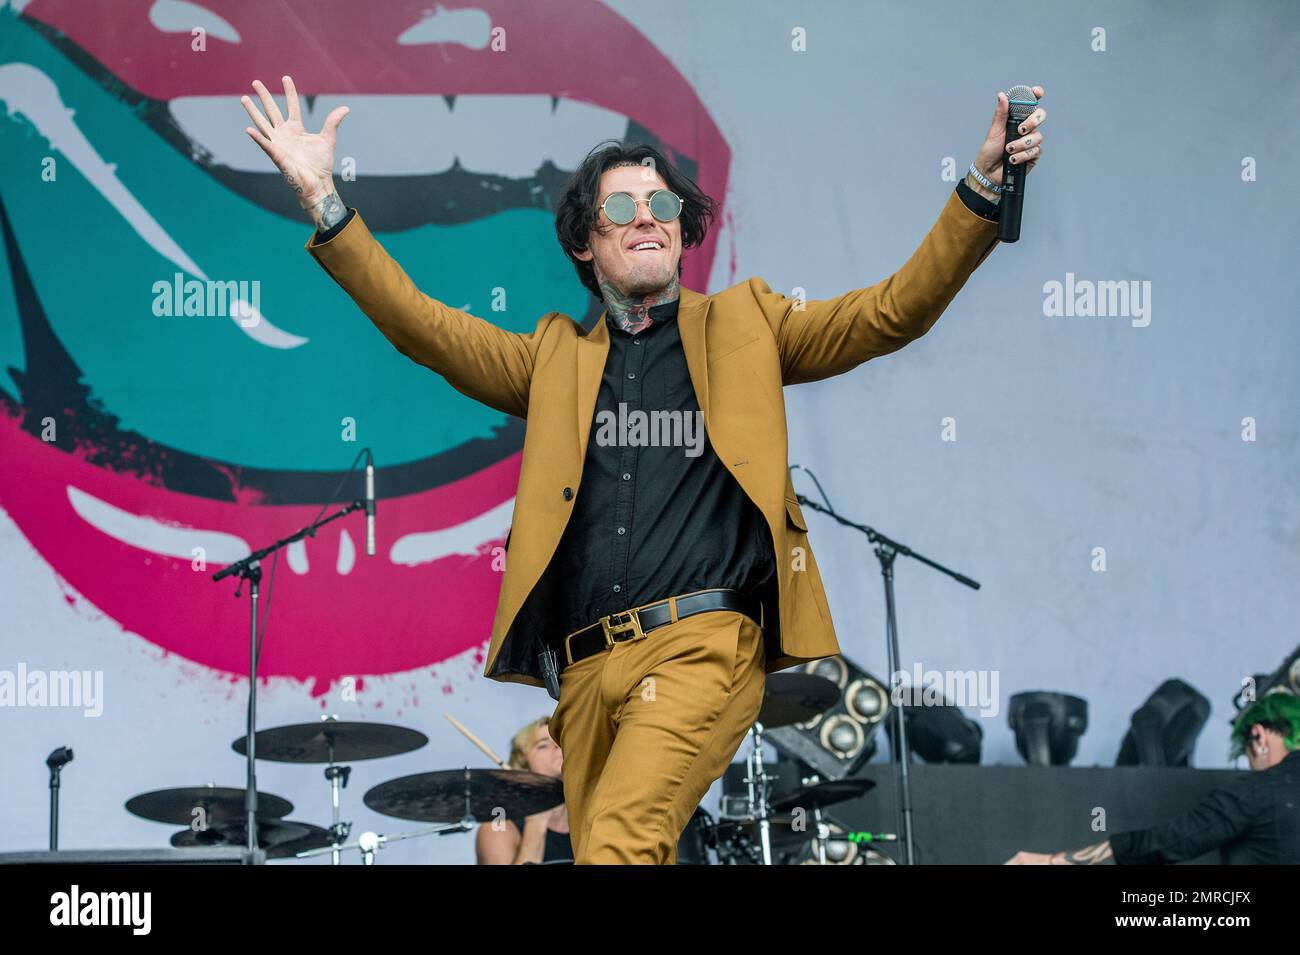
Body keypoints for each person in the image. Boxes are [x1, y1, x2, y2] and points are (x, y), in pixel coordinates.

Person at [241, 76, 1046, 863]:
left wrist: (979, 188)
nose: (646, 220)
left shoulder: (747, 325)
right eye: (620, 209)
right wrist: (324, 201)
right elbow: (422, 326)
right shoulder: (553, 357)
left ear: (685, 230)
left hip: (699, 645)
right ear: (585, 244)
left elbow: (892, 309)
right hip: (586, 675)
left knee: (619, 847)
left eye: (662, 206)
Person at [1006, 692, 1300, 864]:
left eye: (1247, 753)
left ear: (1258, 736)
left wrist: (1054, 861)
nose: (1253, 765)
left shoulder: (1259, 791)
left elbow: (1169, 841)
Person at [475, 716, 571, 865]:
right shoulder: (497, 827)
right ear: (524, 768)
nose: (557, 746)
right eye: (543, 745)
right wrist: (536, 826)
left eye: (560, 740)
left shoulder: (591, 820)